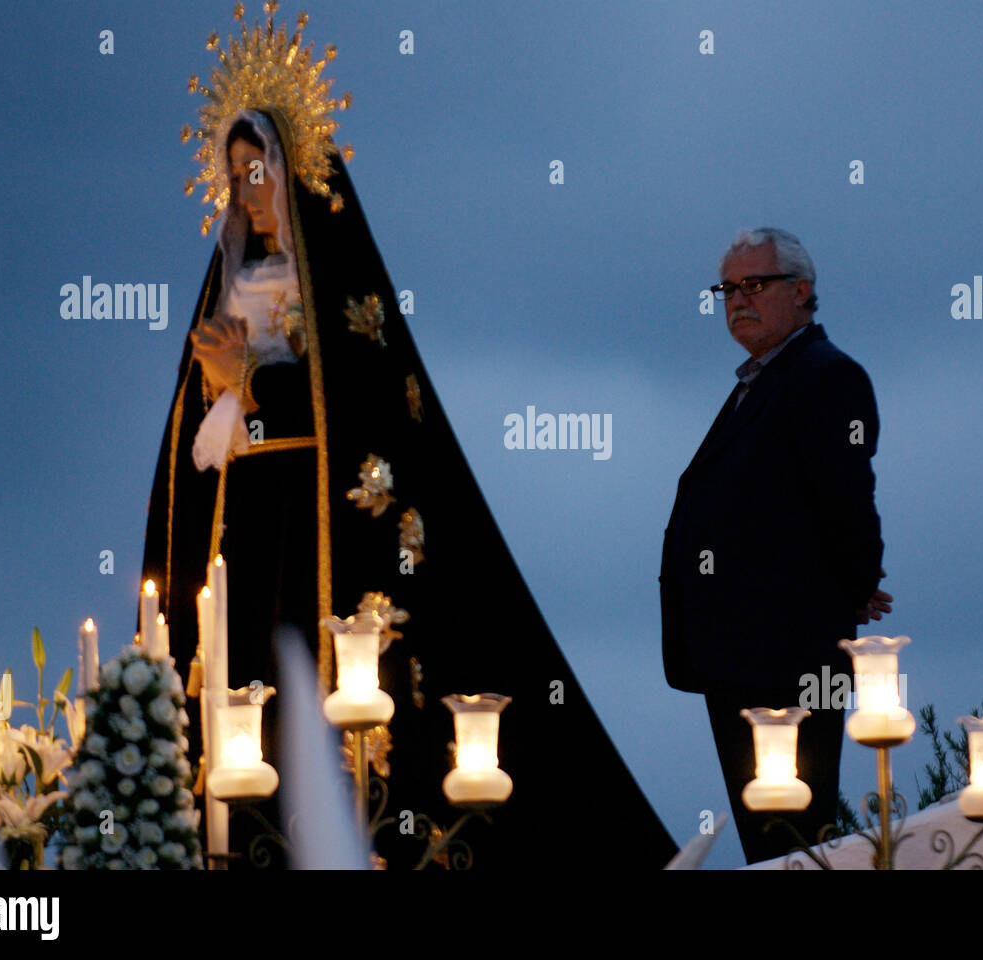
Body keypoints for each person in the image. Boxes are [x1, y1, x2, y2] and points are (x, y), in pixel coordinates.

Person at [140, 8, 676, 870]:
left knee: (327, 699)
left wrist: (251, 385)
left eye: (263, 171)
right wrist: (220, 398)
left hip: (321, 542)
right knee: (248, 705)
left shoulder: (341, 290)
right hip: (247, 540)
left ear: (301, 174)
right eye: (236, 175)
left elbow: (363, 411)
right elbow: (196, 458)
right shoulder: (226, 288)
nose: (249, 192)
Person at [660, 227, 891, 864]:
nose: (737, 300)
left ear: (802, 291)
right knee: (767, 843)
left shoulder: (827, 376)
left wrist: (854, 579)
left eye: (754, 285)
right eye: (727, 289)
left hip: (788, 657)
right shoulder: (760, 381)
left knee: (794, 840)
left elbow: (846, 499)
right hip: (736, 654)